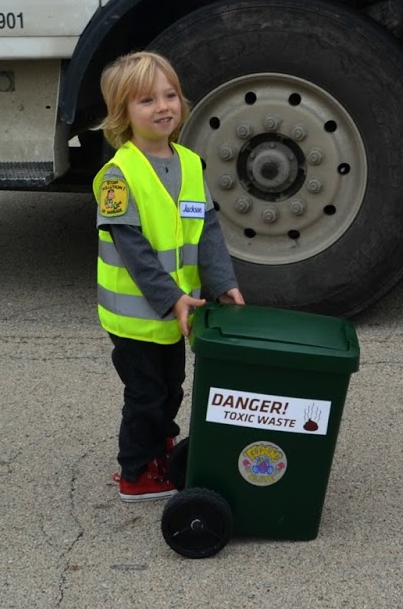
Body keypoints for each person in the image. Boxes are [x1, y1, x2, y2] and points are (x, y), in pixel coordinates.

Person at [94, 50, 244, 502]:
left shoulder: (190, 163)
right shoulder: (118, 176)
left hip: (177, 314)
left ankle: (160, 448)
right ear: (122, 113)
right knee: (145, 395)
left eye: (170, 95)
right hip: (136, 318)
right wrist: (173, 297)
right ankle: (136, 472)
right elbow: (134, 253)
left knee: (171, 389)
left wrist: (224, 283)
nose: (163, 107)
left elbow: (207, 229)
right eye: (146, 100)